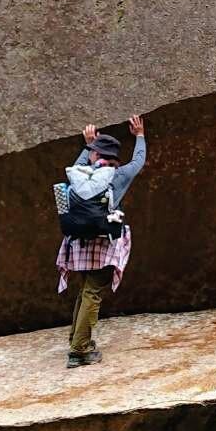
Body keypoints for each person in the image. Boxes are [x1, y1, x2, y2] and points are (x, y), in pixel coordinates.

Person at [56, 115, 147, 368]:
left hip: (77, 244)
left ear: (95, 154)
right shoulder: (118, 175)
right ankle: (79, 349)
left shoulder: (79, 172)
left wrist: (88, 144)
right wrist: (139, 135)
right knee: (94, 293)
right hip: (103, 244)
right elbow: (138, 162)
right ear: (115, 159)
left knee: (85, 290)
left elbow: (80, 165)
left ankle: (76, 338)